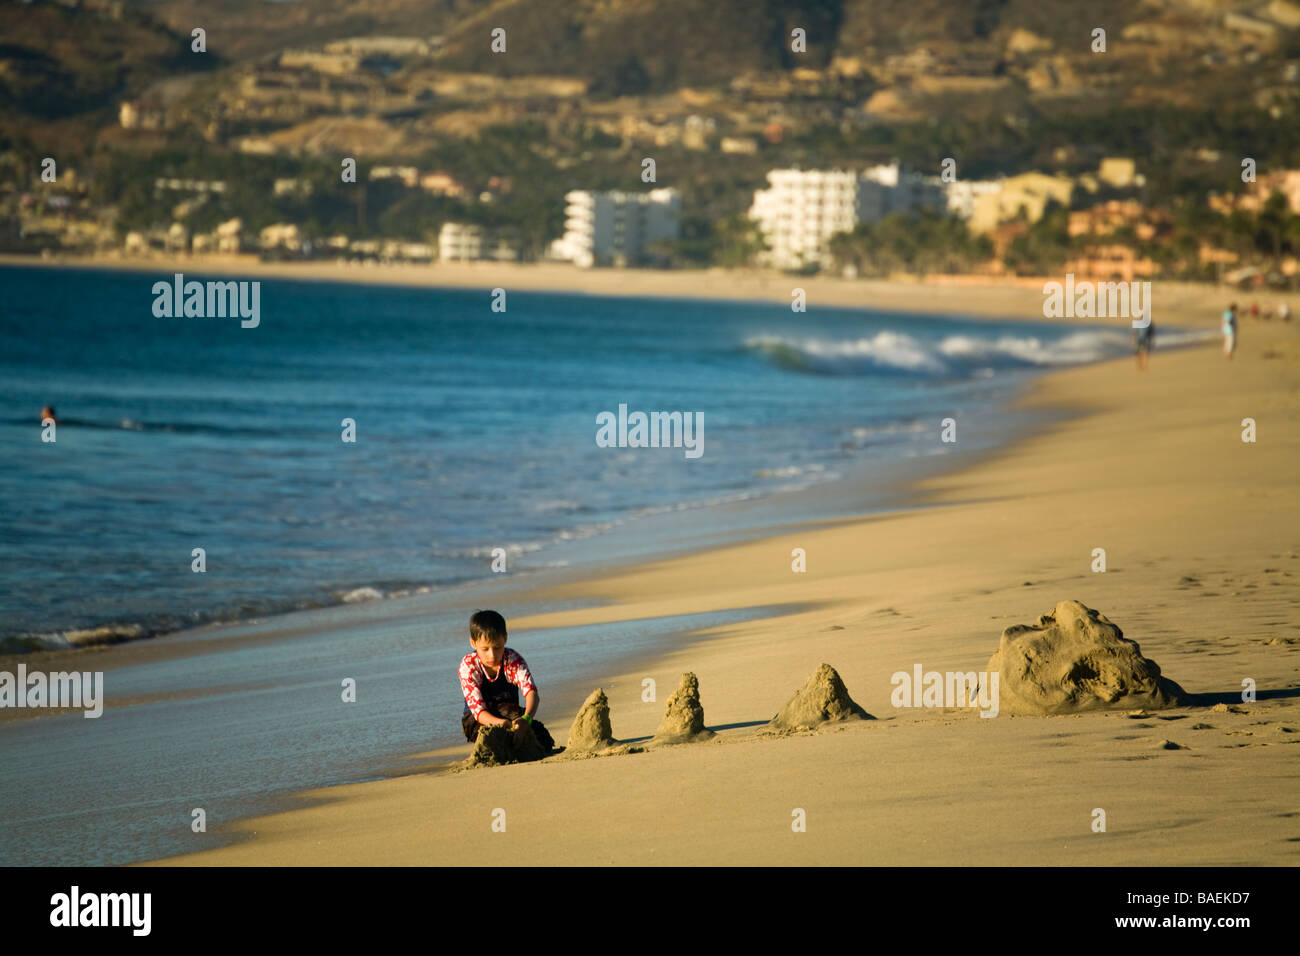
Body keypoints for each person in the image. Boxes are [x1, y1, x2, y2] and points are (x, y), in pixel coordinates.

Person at [457, 609, 555, 753]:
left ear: (505, 639)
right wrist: (502, 724)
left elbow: (531, 692)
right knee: (491, 738)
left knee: (543, 737)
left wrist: (526, 719)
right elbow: (477, 710)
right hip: (478, 720)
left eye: (497, 647)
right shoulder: (468, 666)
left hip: (511, 715)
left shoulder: (513, 660)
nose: (492, 655)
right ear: (473, 643)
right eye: (485, 649)